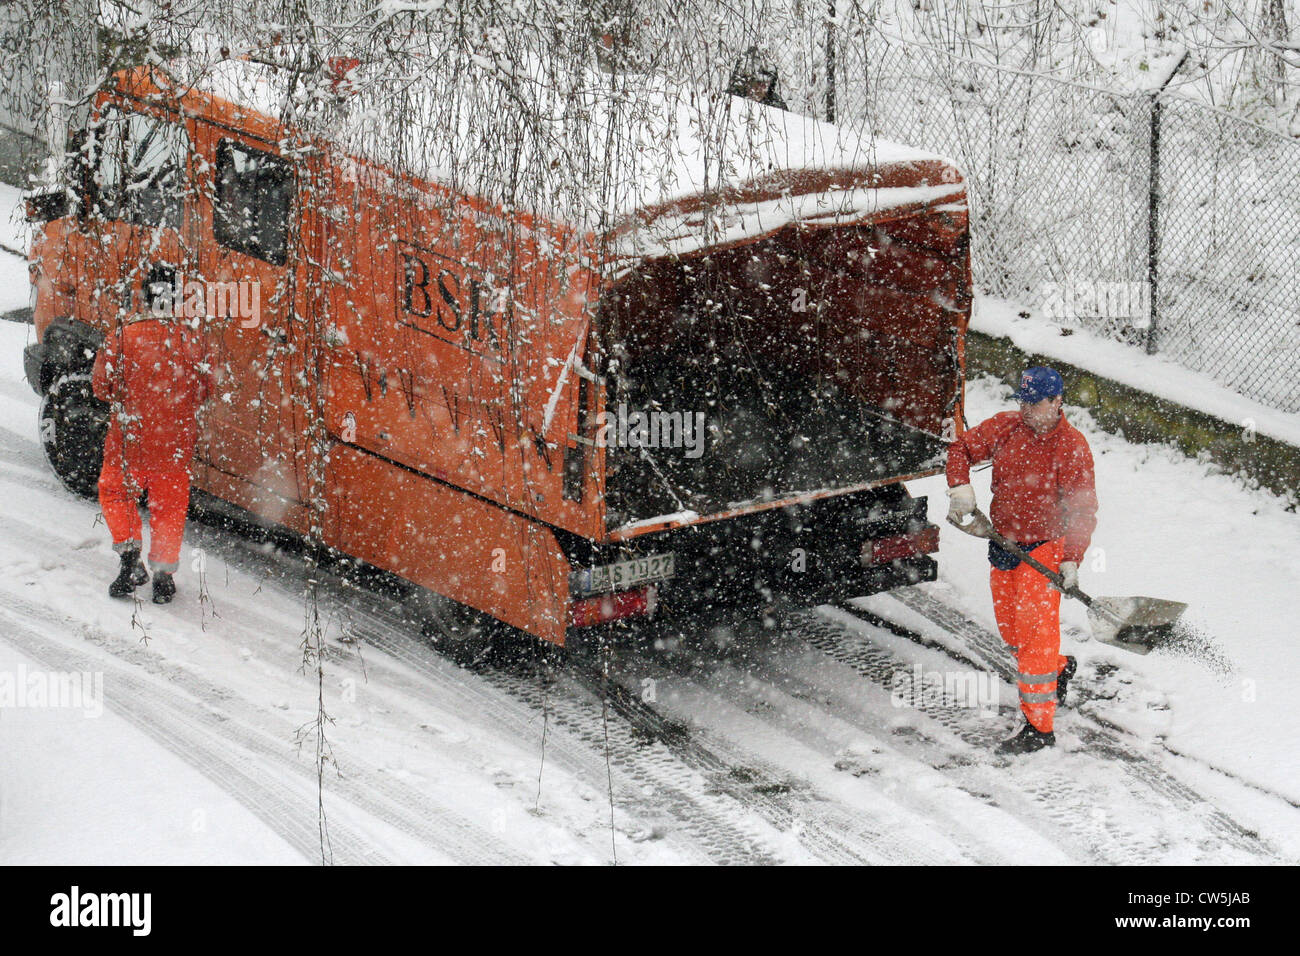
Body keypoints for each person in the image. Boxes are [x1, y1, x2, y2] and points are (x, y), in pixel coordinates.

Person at [946, 367, 1098, 755]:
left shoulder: (1072, 446)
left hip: (1045, 549)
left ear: (1057, 402)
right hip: (1002, 544)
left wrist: (1071, 560)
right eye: (1023, 402)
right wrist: (960, 485)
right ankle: (1059, 668)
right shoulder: (1005, 427)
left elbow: (1083, 511)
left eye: (1036, 403)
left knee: (1034, 642)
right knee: (1013, 633)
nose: (1028, 410)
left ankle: (1039, 728)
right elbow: (960, 447)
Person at [93, 265, 212, 604]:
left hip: (128, 443)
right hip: (174, 446)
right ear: (176, 299)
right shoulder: (193, 341)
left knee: (116, 495)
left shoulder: (123, 337)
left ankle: (130, 558)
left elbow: (102, 387)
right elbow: (206, 389)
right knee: (169, 509)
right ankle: (163, 576)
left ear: (144, 297)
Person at [726, 46, 789, 110]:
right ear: (746, 82)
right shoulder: (730, 98)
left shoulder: (777, 105)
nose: (760, 88)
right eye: (757, 82)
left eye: (765, 84)